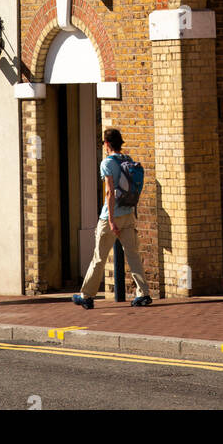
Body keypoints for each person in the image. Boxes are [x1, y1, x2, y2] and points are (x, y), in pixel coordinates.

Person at [72, 128, 151, 309]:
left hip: (111, 217)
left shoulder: (107, 163)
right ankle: (144, 294)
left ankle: (86, 296)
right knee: (133, 255)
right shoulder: (128, 160)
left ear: (107, 144)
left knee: (99, 257)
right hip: (128, 215)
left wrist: (111, 220)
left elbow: (109, 191)